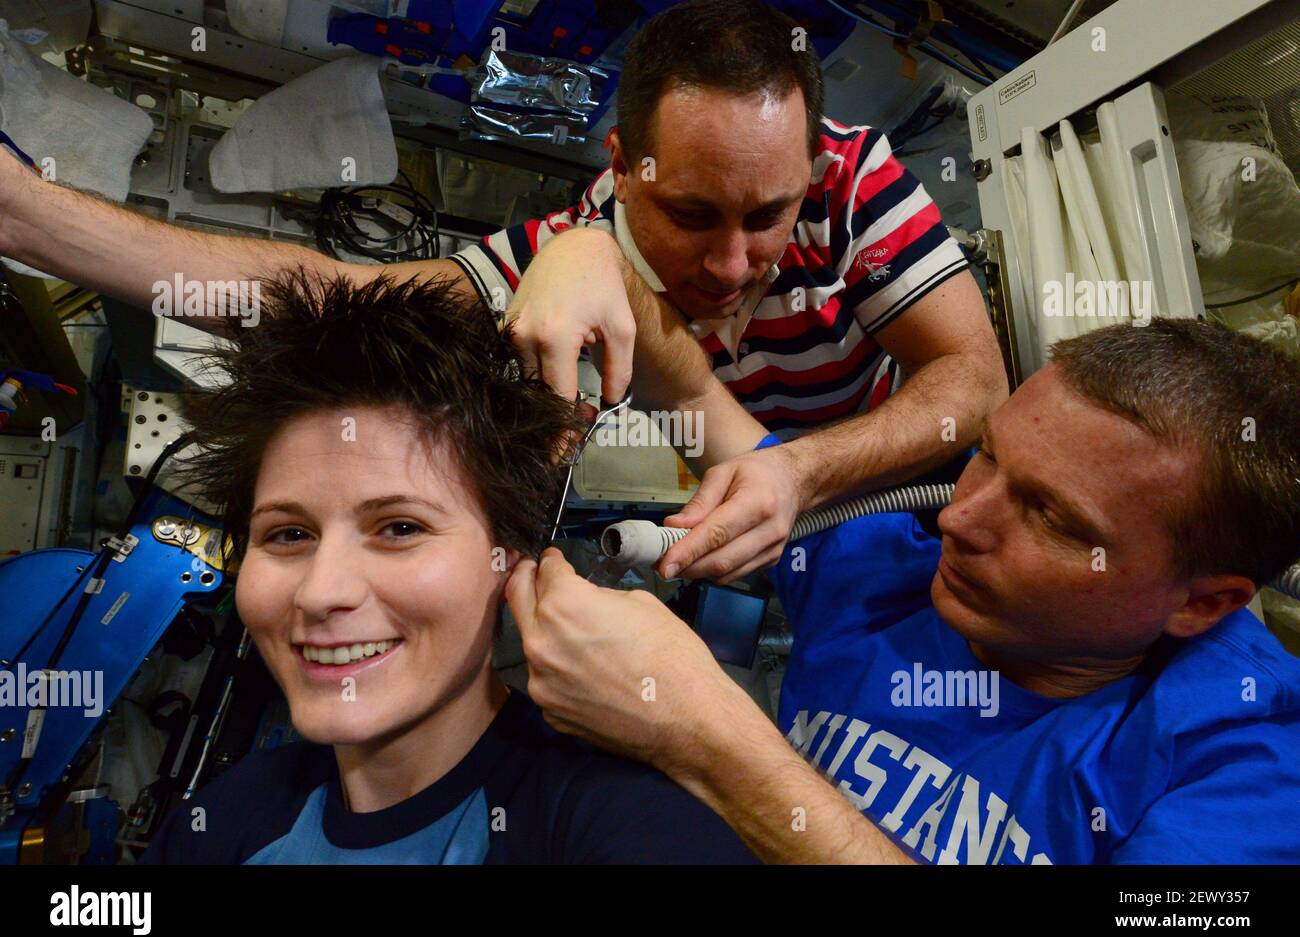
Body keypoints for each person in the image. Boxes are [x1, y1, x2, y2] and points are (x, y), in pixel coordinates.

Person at [0, 0, 1006, 584]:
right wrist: (34, 219)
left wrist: (803, 472)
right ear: (626, 165)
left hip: (921, 506)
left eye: (768, 215)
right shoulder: (571, 247)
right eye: (693, 217)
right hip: (776, 528)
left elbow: (974, 383)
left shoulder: (857, 177)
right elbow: (331, 288)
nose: (735, 264)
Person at [507, 313, 1300, 864]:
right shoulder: (892, 572)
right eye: (987, 457)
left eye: (1053, 517)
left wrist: (709, 740)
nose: (959, 518)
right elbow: (685, 388)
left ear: (1202, 603)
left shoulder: (1250, 774)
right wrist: (592, 260)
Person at [141, 269, 756, 864]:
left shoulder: (622, 825)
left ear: (510, 559)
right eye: (289, 534)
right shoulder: (216, 828)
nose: (320, 592)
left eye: (400, 528)